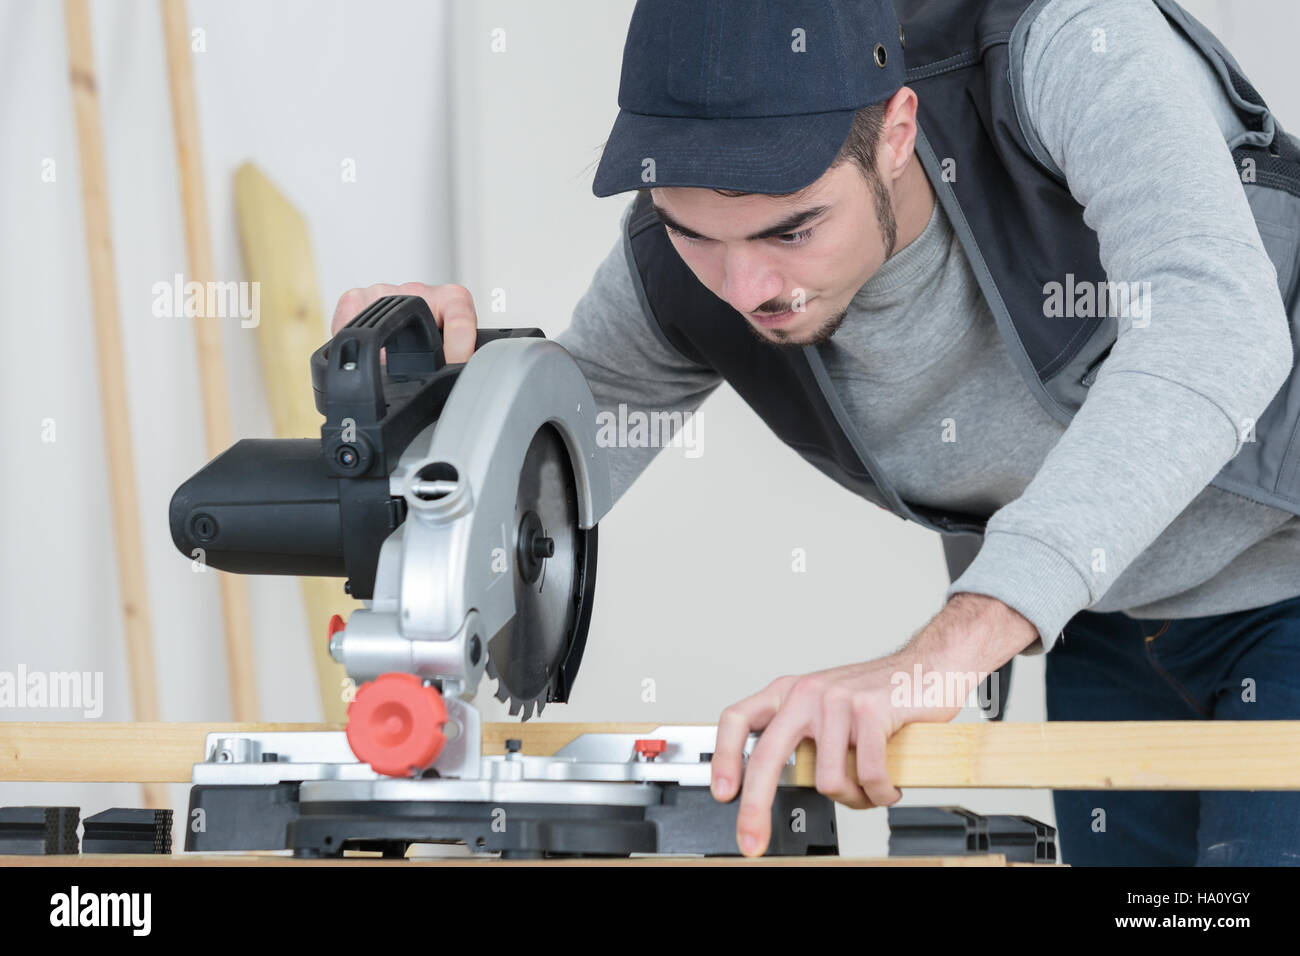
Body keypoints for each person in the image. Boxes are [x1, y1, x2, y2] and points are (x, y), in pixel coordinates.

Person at [332, 0, 1300, 865]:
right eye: (693, 231)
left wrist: (943, 650)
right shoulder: (677, 276)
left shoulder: (1069, 47)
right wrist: (423, 417)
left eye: (791, 231)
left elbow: (1214, 325)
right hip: (1104, 618)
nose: (748, 286)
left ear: (895, 134)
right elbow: (542, 479)